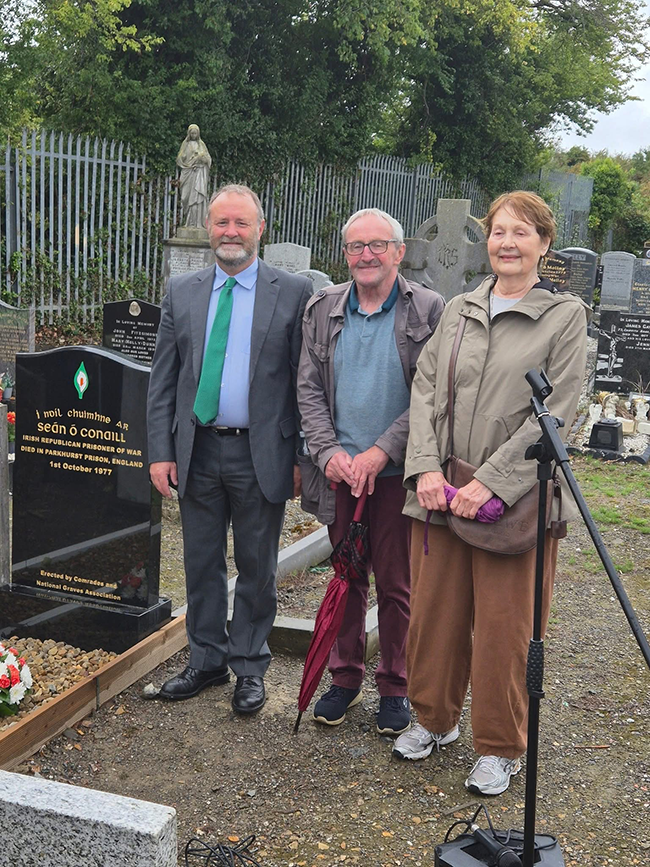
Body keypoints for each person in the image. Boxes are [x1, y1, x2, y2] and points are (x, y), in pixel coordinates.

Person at [394, 191, 589, 795]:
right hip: (441, 491)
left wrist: (489, 483)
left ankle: (501, 747)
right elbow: (425, 389)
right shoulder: (459, 308)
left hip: (516, 500)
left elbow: (555, 410)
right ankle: (432, 719)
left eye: (521, 232)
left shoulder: (564, 316)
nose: (506, 242)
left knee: (508, 628)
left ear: (543, 244)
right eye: (498, 231)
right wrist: (426, 468)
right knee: (434, 615)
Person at [147, 184, 311, 714]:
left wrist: (301, 458)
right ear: (209, 228)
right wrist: (159, 450)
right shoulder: (183, 291)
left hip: (261, 452)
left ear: (260, 229)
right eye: (222, 223)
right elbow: (164, 381)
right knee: (200, 562)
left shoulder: (292, 291)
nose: (231, 233)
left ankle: (249, 665)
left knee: (257, 565)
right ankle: (207, 660)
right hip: (197, 449)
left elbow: (305, 383)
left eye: (241, 223)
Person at [297, 208, 445, 735]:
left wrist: (381, 452)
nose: (366, 255)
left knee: (398, 584)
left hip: (397, 475)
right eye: (356, 246)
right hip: (339, 473)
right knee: (347, 576)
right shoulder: (322, 309)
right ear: (345, 255)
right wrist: (330, 452)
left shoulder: (426, 308)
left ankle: (395, 686)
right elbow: (308, 389)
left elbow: (430, 396)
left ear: (399, 253)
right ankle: (344, 678)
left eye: (377, 245)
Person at [176, 124, 212, 229]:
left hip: (198, 174)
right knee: (185, 197)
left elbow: (208, 160)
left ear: (198, 133)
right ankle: (188, 221)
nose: (193, 135)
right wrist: (183, 158)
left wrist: (202, 159)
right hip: (188, 173)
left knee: (197, 198)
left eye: (195, 133)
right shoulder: (185, 144)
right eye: (192, 133)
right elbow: (179, 159)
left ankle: (197, 223)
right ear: (189, 134)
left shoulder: (201, 145)